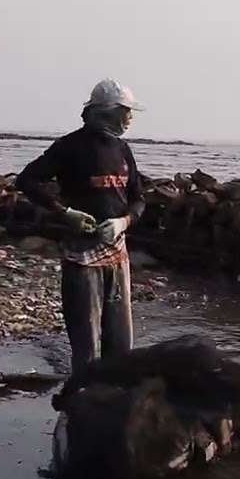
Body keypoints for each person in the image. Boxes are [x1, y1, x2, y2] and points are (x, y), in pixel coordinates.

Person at [15, 79, 146, 373]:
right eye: (126, 110)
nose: (130, 117)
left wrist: (123, 222)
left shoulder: (123, 150)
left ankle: (116, 394)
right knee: (87, 346)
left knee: (121, 346)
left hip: (118, 255)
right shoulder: (70, 147)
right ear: (108, 111)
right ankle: (82, 394)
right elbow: (27, 180)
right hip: (81, 257)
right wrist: (66, 214)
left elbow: (138, 199)